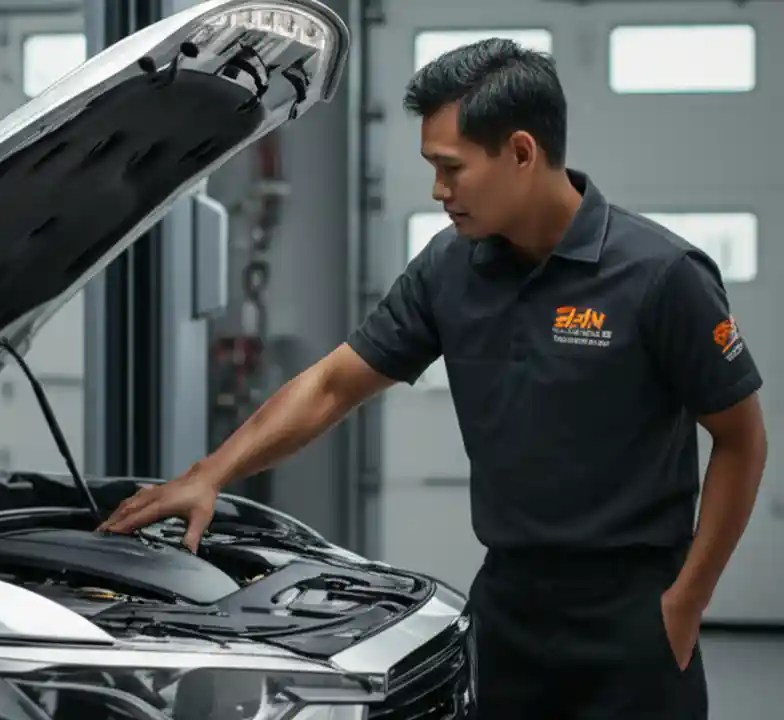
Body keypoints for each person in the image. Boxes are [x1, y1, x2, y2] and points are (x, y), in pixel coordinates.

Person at [98, 38, 767, 719]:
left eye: (452, 169)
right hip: (508, 609)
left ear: (522, 153)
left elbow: (742, 440)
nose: (438, 191)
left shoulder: (661, 276)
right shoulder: (450, 268)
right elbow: (333, 385)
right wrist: (209, 473)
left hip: (633, 614)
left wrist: (689, 598)